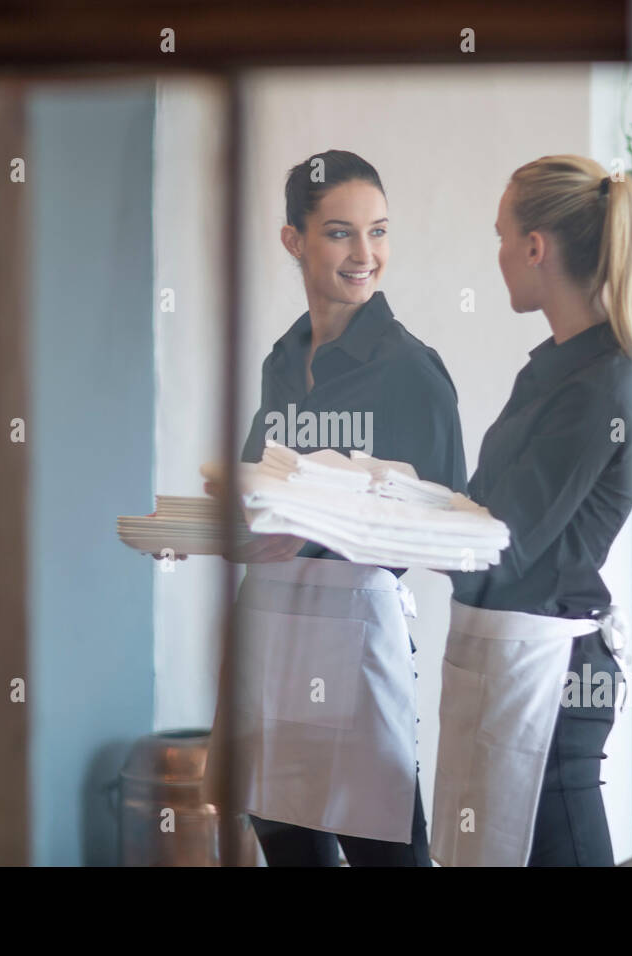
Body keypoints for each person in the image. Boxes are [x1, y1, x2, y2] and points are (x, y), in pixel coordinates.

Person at [203, 149, 467, 866]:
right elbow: (266, 488)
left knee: (388, 853)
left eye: (378, 231)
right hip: (269, 635)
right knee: (286, 846)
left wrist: (327, 535)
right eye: (341, 232)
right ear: (294, 239)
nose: (365, 253)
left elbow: (448, 524)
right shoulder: (282, 361)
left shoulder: (412, 370)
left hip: (354, 640)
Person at [431, 156, 632, 867]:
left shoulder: (604, 389)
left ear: (536, 247)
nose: (499, 253)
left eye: (502, 236)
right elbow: (482, 506)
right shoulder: (554, 368)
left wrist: (363, 519)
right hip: (511, 658)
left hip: (555, 679)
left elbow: (500, 536)